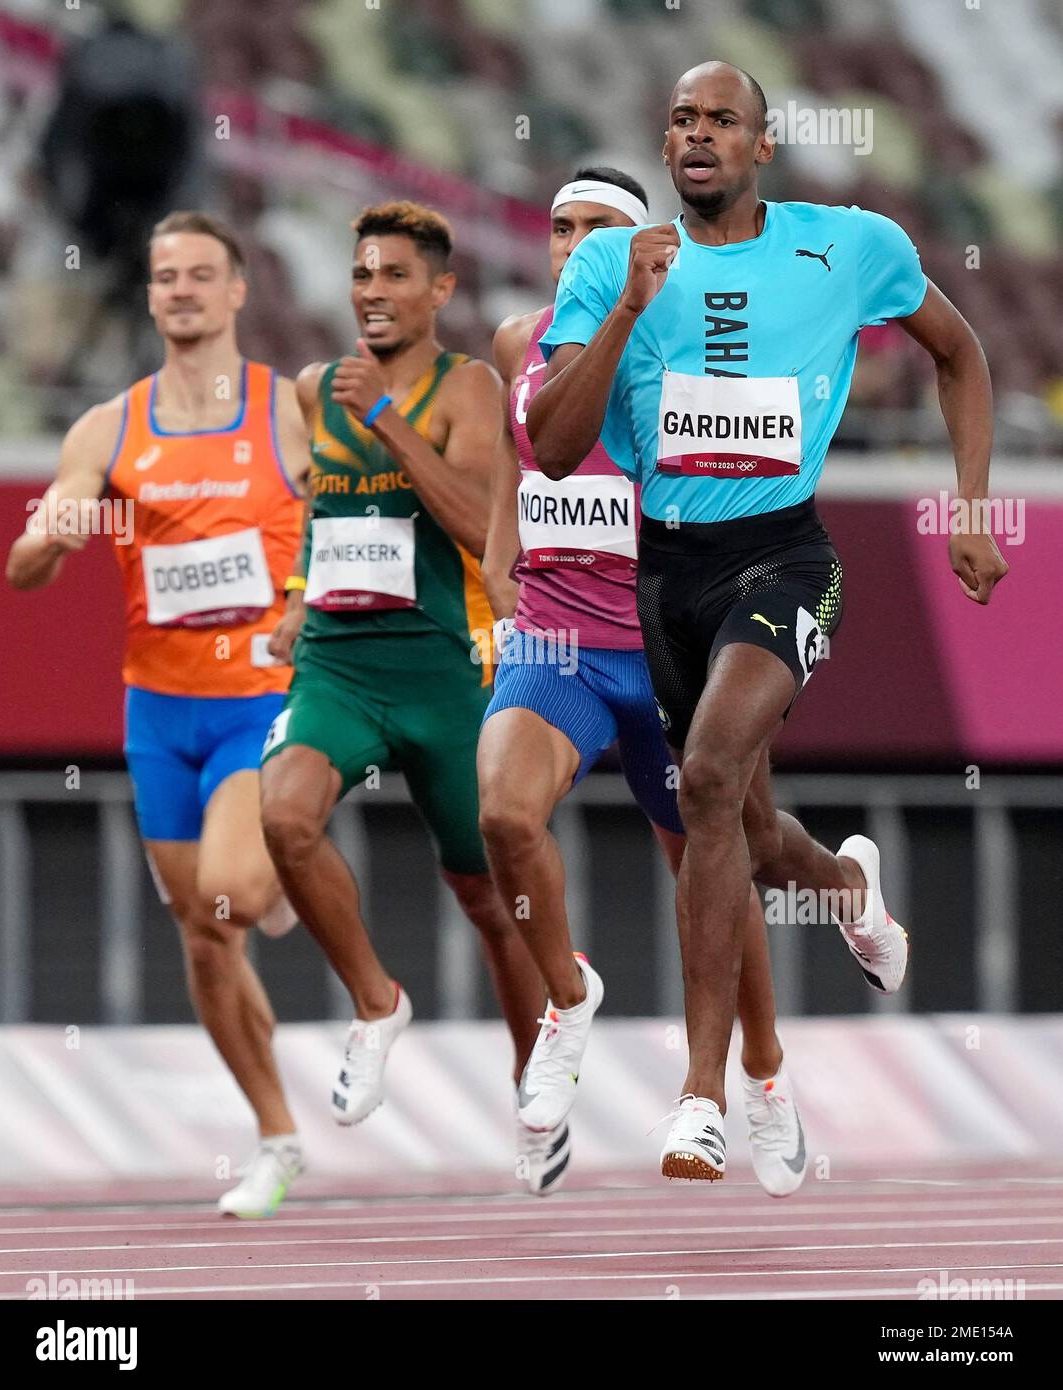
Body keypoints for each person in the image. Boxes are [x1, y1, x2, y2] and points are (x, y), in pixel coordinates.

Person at [527, 62, 1008, 1181]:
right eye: (683, 117)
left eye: (722, 120)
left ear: (762, 146)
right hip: (666, 571)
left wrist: (971, 508)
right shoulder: (609, 264)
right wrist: (633, 308)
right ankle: (844, 887)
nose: (698, 134)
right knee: (740, 825)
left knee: (701, 783)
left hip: (785, 556)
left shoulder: (847, 246)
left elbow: (962, 353)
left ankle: (704, 1095)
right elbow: (551, 444)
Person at [479, 168, 805, 1197]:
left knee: (711, 868)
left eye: (598, 232)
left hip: (670, 645)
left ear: (651, 249)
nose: (572, 246)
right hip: (557, 641)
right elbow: (517, 474)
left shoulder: (707, 343)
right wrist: (499, 577)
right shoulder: (515, 341)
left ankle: (761, 1073)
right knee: (500, 814)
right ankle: (568, 999)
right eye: (559, 229)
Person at [7, 211, 311, 1217]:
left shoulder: (284, 412)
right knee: (204, 932)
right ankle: (276, 1134)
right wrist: (51, 536)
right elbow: (30, 555)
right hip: (158, 711)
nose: (180, 288)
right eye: (164, 275)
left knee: (227, 889)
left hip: (260, 698)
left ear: (235, 293)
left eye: (200, 274)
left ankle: (274, 867)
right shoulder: (109, 426)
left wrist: (310, 601)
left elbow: (352, 513)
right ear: (151, 296)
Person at [259, 202, 547, 1174]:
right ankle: (376, 1002)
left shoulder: (470, 388)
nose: (372, 293)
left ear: (440, 290)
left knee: (488, 892)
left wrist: (386, 420)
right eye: (362, 275)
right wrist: (299, 594)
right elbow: (322, 510)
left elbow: (478, 526)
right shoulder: (313, 387)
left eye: (393, 276)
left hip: (443, 670)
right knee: (286, 816)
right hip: (340, 663)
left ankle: (533, 1091)